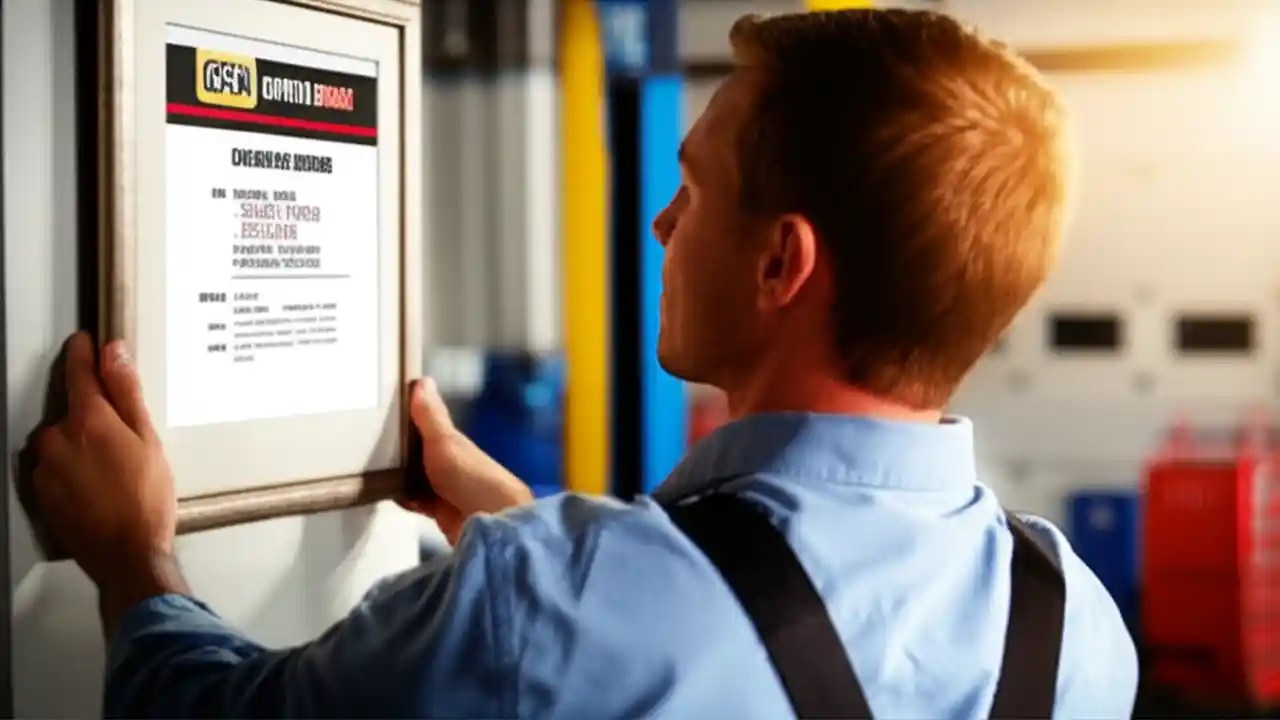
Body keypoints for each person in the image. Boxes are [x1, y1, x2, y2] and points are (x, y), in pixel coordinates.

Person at [31, 8, 1137, 719]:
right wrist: (521, 522)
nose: (661, 225)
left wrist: (134, 559)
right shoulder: (1075, 627)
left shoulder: (550, 598)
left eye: (693, 189)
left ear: (777, 264)